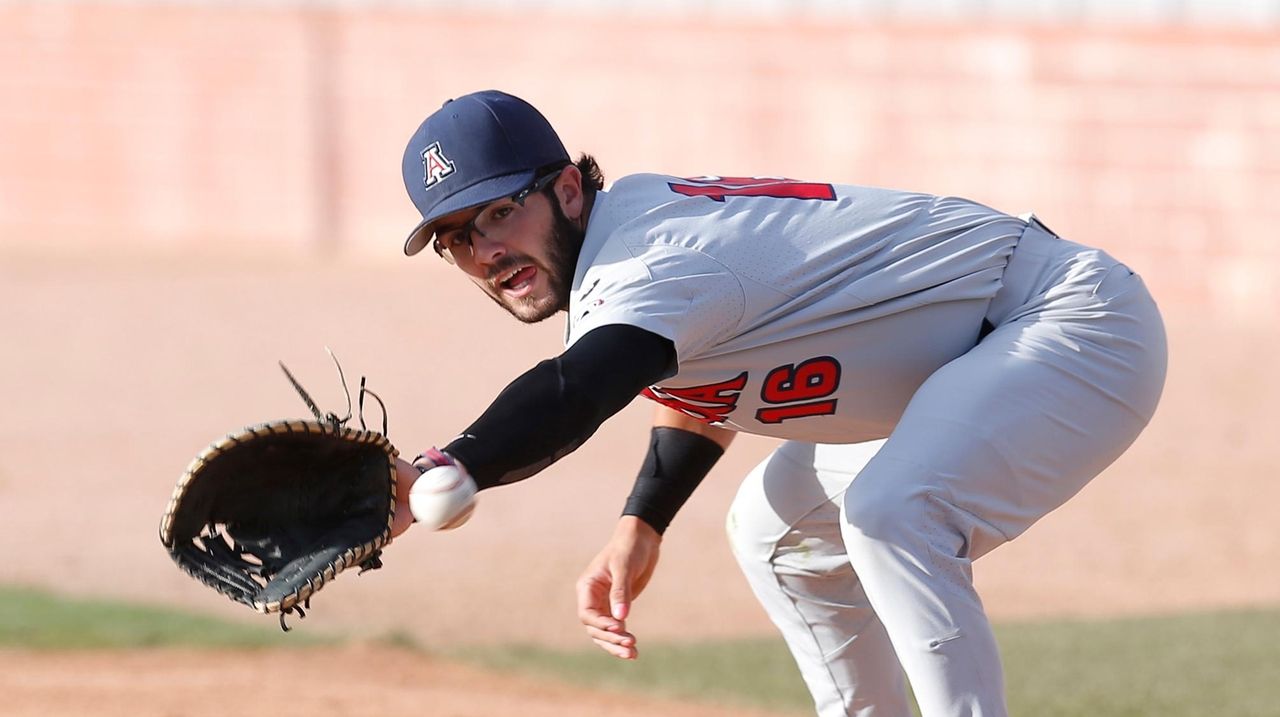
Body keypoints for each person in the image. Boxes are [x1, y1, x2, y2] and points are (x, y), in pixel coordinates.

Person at [389, 90, 1167, 717]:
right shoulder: (626, 254)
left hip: (1069, 324)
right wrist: (643, 521)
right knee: (773, 532)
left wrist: (443, 464)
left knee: (893, 513)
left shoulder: (646, 258)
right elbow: (709, 371)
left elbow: (575, 392)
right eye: (457, 237)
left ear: (566, 190)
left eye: (499, 212)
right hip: (966, 356)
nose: (485, 250)